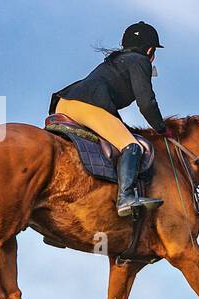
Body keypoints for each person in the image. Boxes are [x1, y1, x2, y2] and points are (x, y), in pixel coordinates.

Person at [50, 21, 166, 216]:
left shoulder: (116, 61)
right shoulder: (140, 61)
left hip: (64, 104)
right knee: (131, 146)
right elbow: (146, 103)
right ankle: (125, 198)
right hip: (87, 106)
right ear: (150, 50)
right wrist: (161, 128)